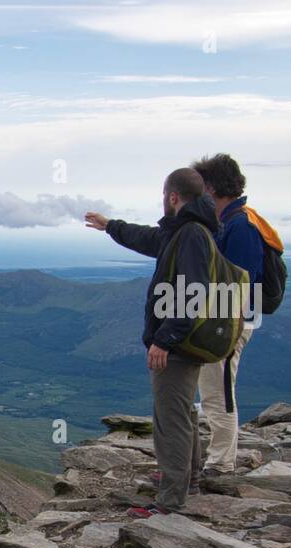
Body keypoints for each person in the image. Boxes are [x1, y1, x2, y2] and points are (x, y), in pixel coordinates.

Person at [84, 168, 220, 517]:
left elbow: (194, 292)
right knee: (182, 411)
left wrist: (165, 339)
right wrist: (110, 225)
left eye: (164, 193)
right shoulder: (184, 231)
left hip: (177, 343)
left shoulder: (190, 234)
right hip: (183, 341)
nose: (162, 199)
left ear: (172, 196)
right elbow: (148, 238)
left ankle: (170, 502)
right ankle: (188, 479)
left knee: (169, 417)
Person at [190, 153, 263, 475]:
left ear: (211, 188)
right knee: (212, 390)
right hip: (220, 320)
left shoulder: (240, 226)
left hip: (228, 323)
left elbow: (240, 283)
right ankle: (213, 458)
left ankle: (221, 464)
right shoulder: (230, 223)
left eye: (199, 187)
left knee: (219, 393)